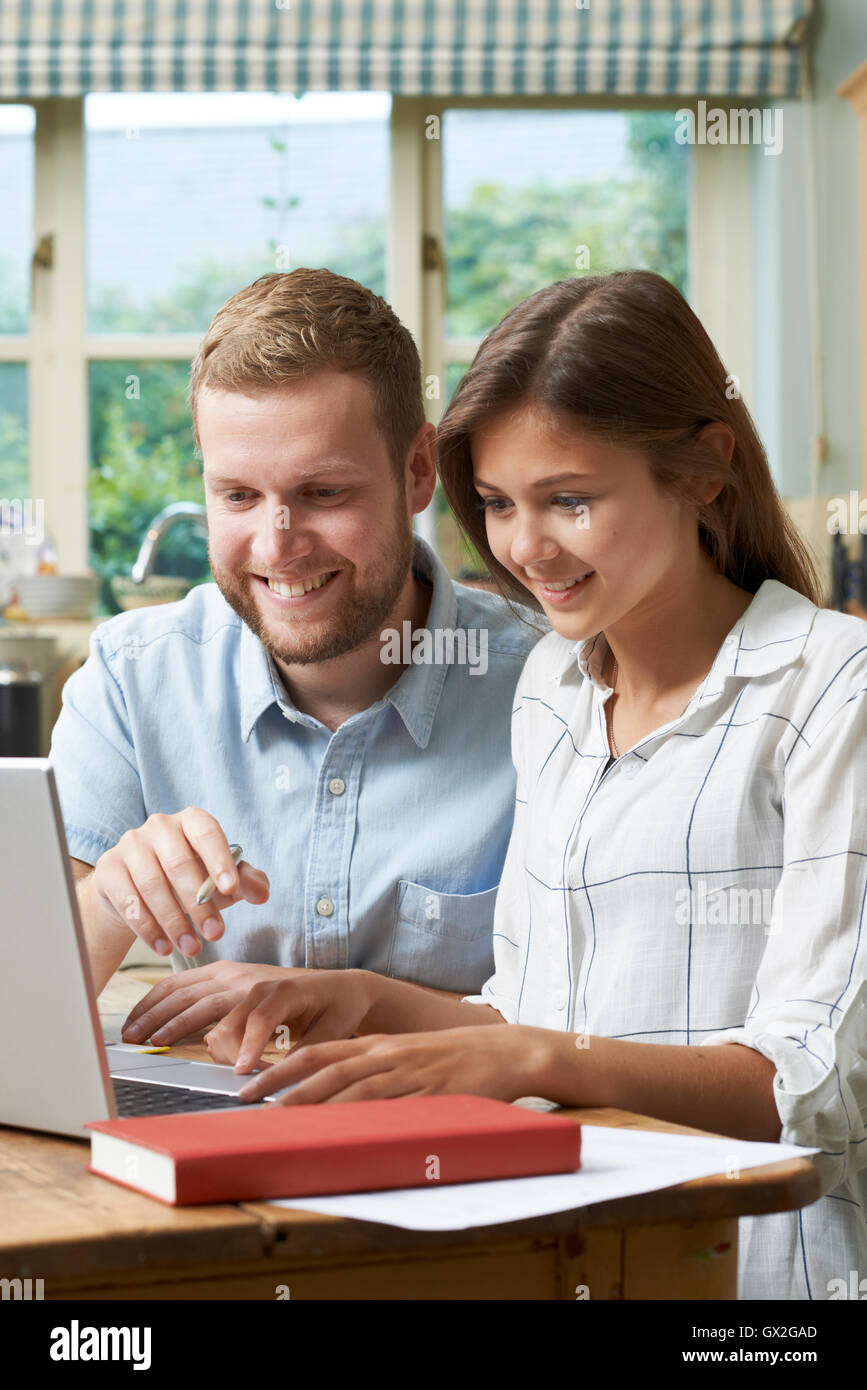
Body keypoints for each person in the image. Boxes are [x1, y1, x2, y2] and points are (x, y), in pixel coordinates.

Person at [208, 271, 867, 1303]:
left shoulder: (835, 690)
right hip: (578, 1263)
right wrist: (360, 1001)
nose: (524, 548)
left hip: (765, 1284)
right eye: (502, 504)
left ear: (704, 469)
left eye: (570, 499)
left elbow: (803, 1085)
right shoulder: (556, 687)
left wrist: (533, 1058)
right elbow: (531, 1010)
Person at [48, 268, 544, 1034]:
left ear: (417, 471)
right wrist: (114, 897)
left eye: (323, 493)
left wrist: (367, 1008)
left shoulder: (554, 688)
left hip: (484, 1146)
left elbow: (590, 1026)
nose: (278, 546)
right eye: (238, 495)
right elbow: (21, 1011)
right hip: (223, 1121)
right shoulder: (131, 676)